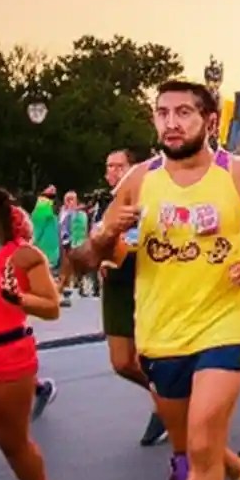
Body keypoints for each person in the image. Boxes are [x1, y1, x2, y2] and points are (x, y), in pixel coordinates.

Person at [78, 79, 240, 480]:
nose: (171, 123)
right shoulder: (139, 181)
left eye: (183, 113)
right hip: (161, 332)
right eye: (163, 113)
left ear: (209, 121)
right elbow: (95, 255)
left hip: (225, 324)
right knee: (191, 447)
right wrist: (107, 234)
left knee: (200, 447)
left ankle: (227, 469)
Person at [67, 148, 167, 445]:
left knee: (156, 355)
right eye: (109, 167)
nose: (113, 172)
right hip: (115, 284)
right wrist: (101, 242)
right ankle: (165, 398)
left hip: (149, 280)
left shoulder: (155, 197)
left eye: (119, 166)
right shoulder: (104, 205)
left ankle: (171, 406)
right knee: (122, 362)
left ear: (134, 168)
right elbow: (85, 253)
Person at [0, 187, 65, 480]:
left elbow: (51, 307)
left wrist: (19, 298)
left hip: (7, 356)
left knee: (11, 442)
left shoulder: (22, 254)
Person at [30, 188, 64, 308]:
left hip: (43, 247)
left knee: (45, 272)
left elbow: (36, 231)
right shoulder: (51, 213)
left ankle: (50, 296)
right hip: (52, 247)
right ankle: (54, 296)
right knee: (50, 272)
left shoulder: (39, 211)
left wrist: (31, 243)